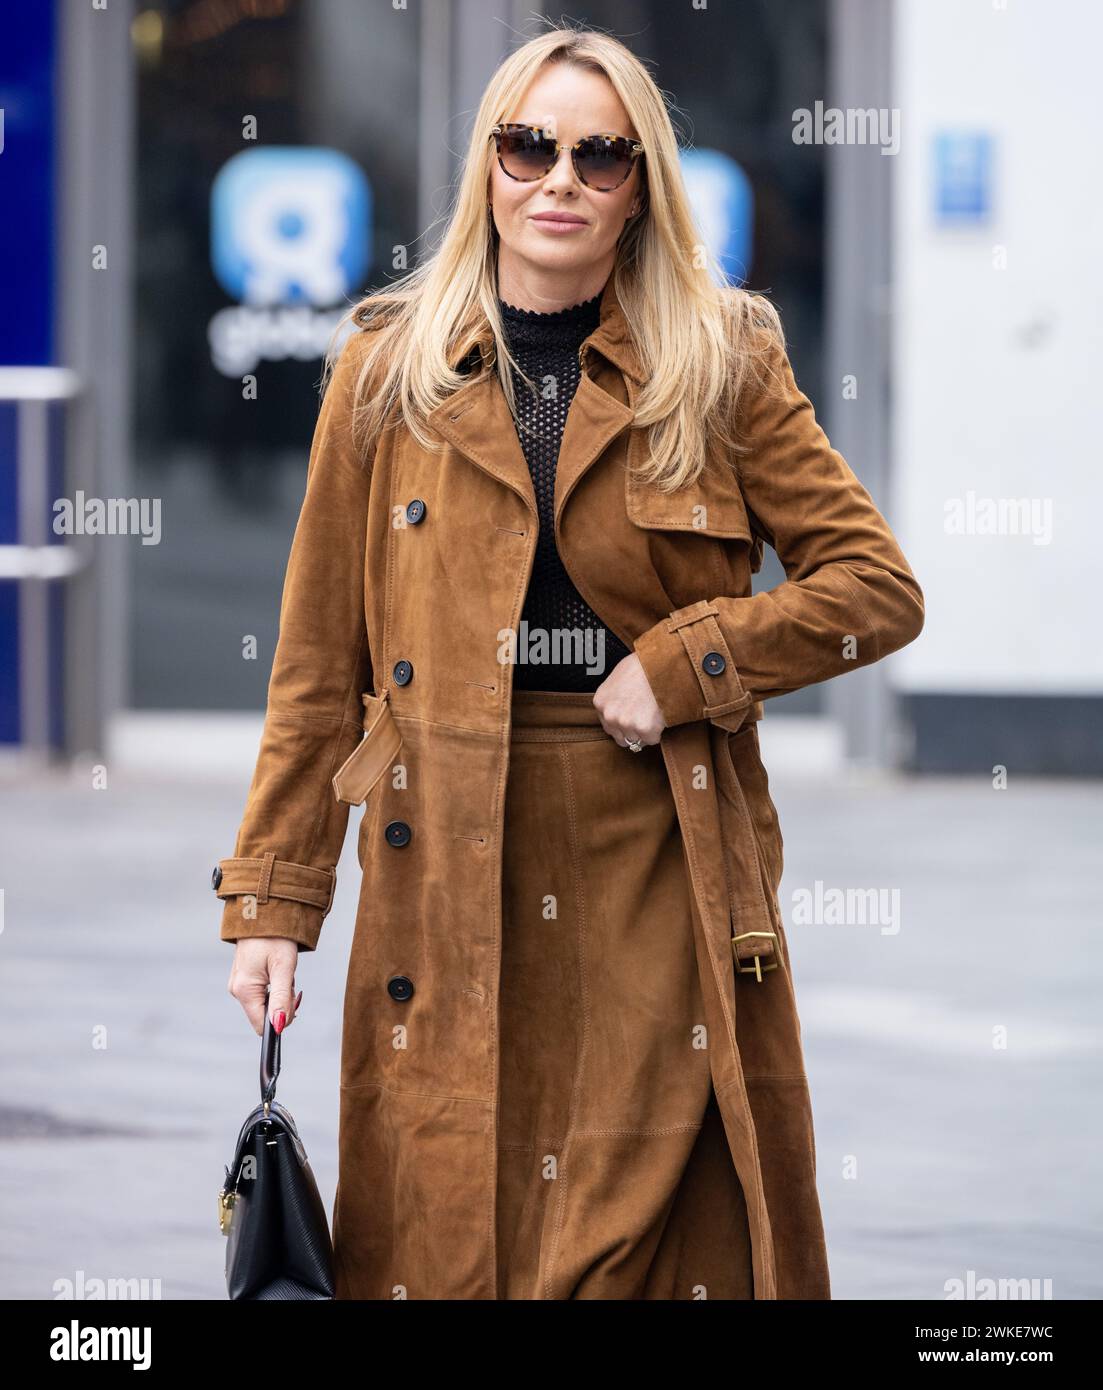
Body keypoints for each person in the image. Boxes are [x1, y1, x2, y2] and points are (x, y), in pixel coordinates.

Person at [213, 25, 924, 1300]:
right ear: (487, 163)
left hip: (651, 851)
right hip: (439, 863)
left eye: (599, 157)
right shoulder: (386, 370)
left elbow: (873, 590)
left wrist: (691, 659)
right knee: (451, 1225)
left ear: (641, 184)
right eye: (528, 145)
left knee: (625, 1238)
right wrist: (273, 903)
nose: (560, 181)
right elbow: (319, 665)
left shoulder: (722, 359)